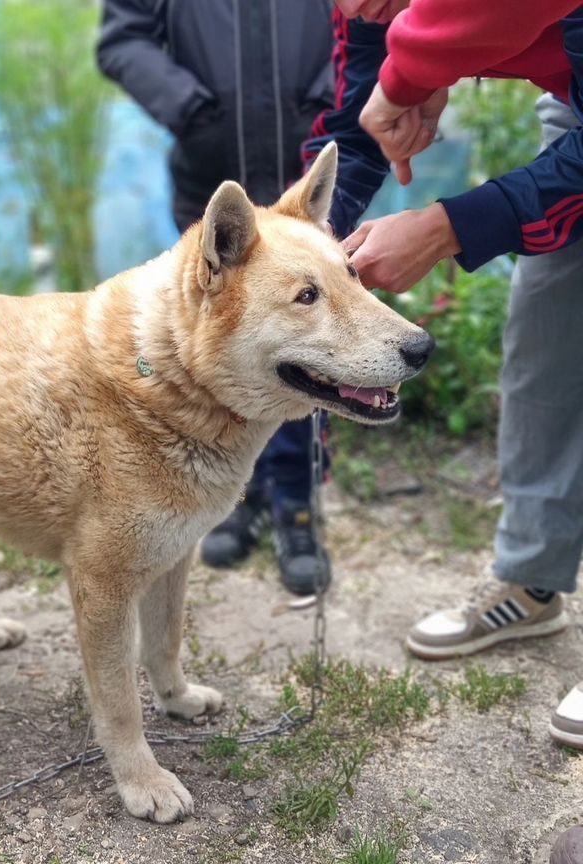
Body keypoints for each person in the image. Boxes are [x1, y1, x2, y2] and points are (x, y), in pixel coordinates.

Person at [303, 0, 583, 749]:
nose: (355, 7)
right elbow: (358, 128)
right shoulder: (362, 3)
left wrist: (452, 224)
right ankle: (532, 579)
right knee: (544, 344)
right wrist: (298, 249)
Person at [96, 0, 336, 595]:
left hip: (303, 165)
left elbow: (375, 22)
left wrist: (328, 98)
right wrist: (192, 109)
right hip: (212, 176)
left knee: (309, 336)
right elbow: (123, 39)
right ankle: (238, 496)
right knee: (225, 342)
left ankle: (297, 503)